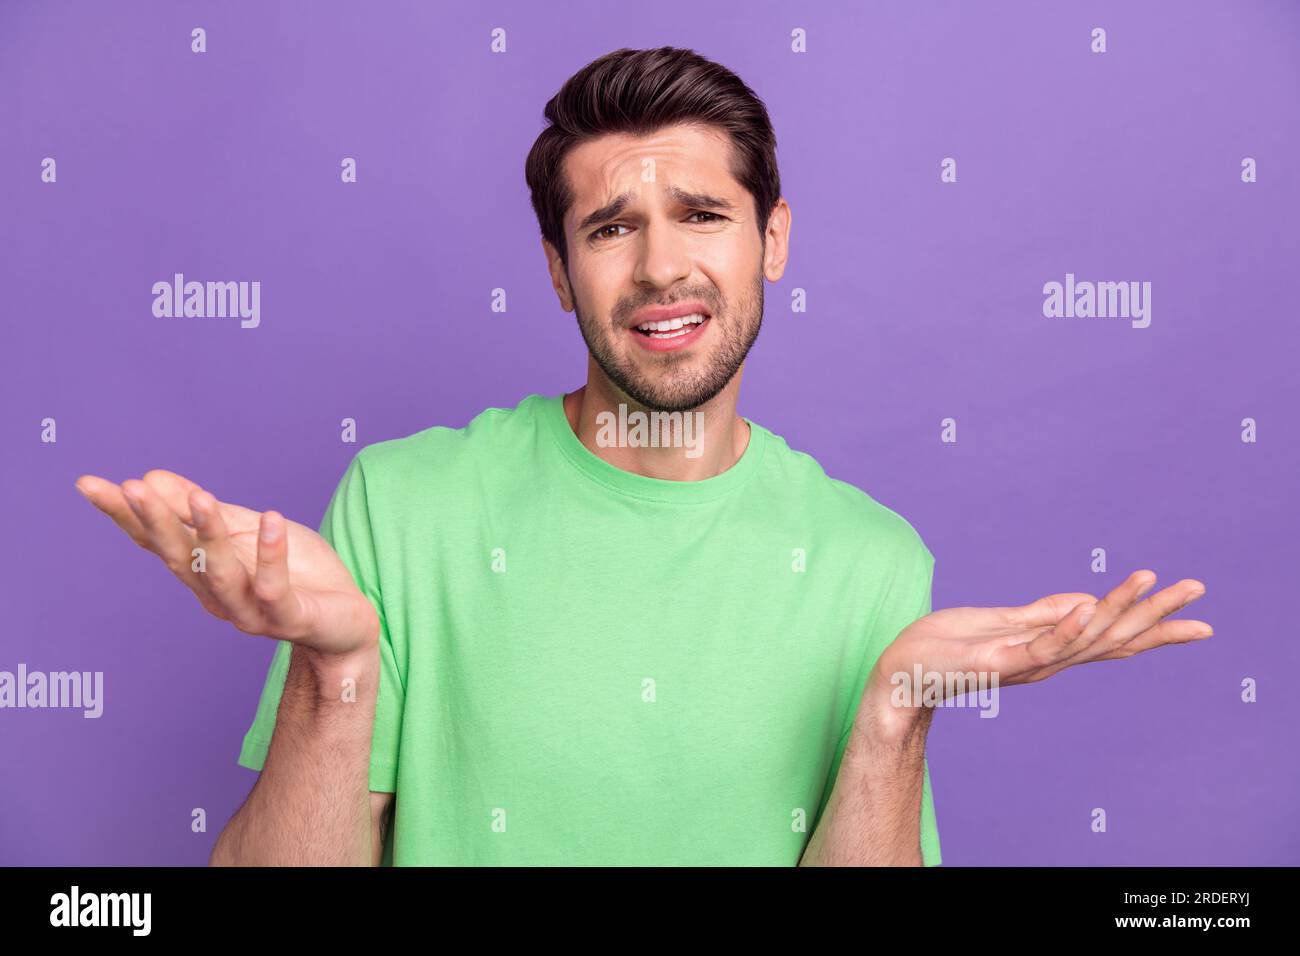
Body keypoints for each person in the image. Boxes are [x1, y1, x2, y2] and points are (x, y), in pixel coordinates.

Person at [74, 46, 1211, 866]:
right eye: (611, 227)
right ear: (562, 271)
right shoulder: (400, 503)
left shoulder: (871, 557)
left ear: (772, 239)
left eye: (704, 215)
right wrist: (336, 668)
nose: (662, 266)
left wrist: (893, 712)